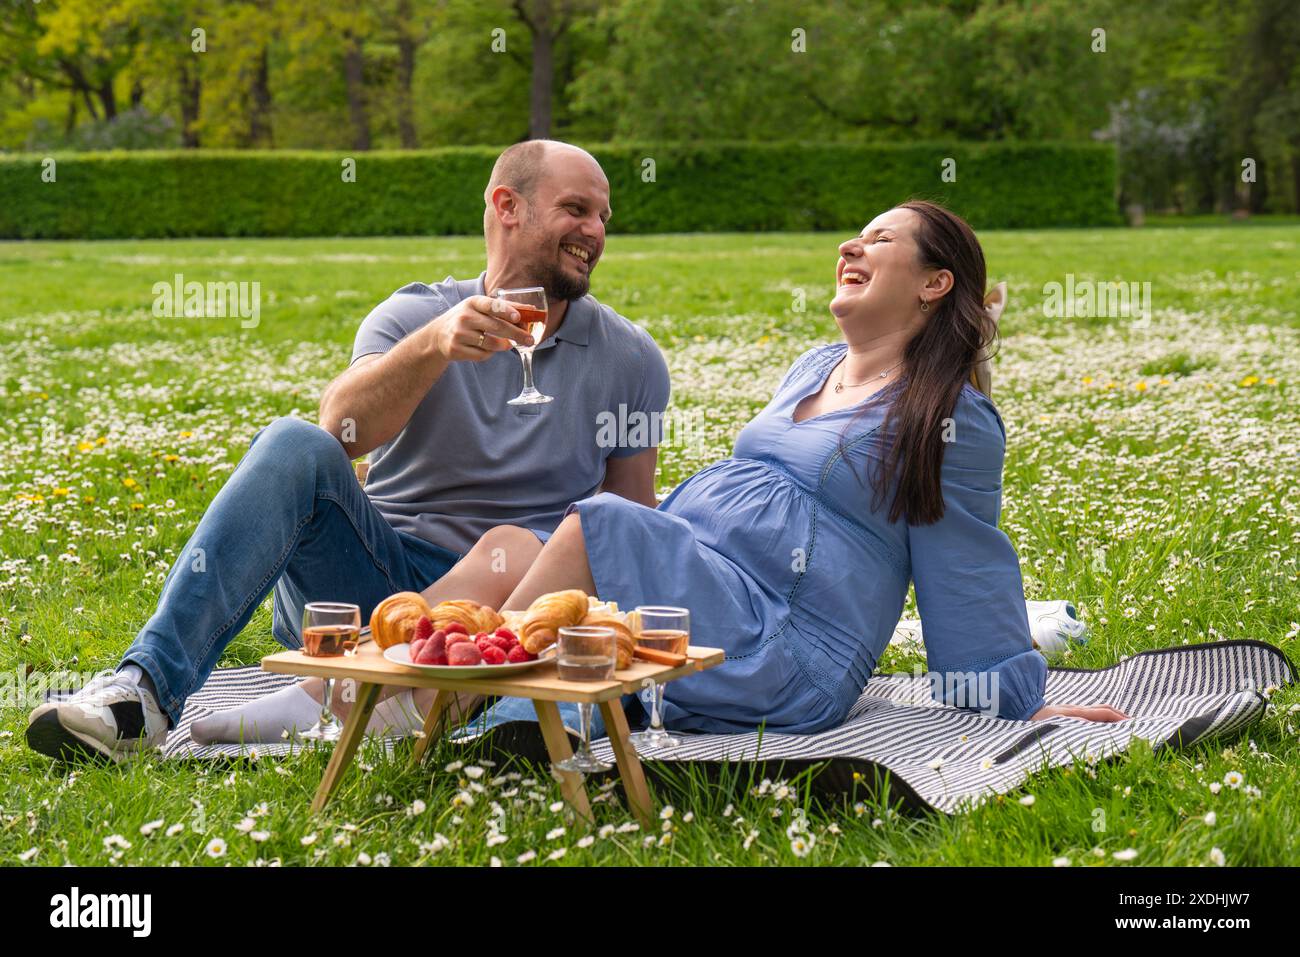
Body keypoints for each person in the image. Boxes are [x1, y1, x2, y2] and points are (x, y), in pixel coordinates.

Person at [25, 140, 671, 762]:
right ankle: (141, 696)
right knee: (291, 442)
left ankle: (370, 699)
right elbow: (341, 433)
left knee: (519, 543)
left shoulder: (633, 359)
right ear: (507, 206)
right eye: (576, 209)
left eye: (603, 216)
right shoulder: (410, 316)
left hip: (522, 607)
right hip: (378, 589)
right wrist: (434, 346)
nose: (596, 231)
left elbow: (629, 523)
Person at [453, 200, 1128, 743]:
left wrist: (1009, 701)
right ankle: (535, 714)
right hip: (721, 599)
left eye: (880, 240)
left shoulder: (951, 416)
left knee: (594, 527)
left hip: (786, 647)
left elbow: (967, 567)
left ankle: (446, 697)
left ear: (934, 282)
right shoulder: (811, 367)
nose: (849, 248)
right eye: (855, 237)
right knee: (540, 561)